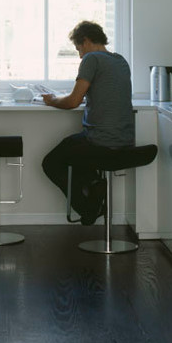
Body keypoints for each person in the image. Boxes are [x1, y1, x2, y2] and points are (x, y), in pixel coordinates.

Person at [41, 20, 134, 225]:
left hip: (101, 141)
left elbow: (73, 101)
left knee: (51, 162)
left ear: (85, 41)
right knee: (75, 150)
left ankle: (88, 208)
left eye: (78, 49)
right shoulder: (120, 60)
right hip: (125, 141)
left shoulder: (91, 58)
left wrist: (52, 100)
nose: (80, 55)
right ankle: (94, 182)